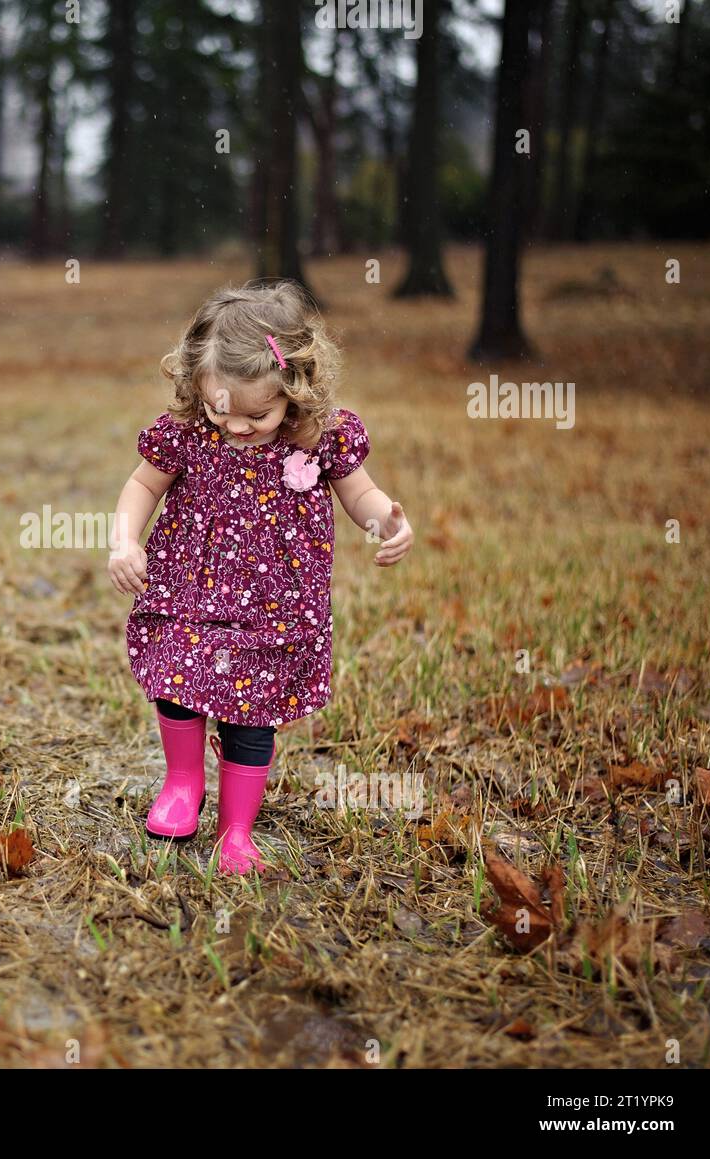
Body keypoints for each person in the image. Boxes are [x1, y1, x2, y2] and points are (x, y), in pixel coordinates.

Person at [108, 280, 413, 875]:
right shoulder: (190, 431)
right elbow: (142, 485)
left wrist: (387, 522)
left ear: (296, 390)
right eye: (223, 409)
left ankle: (237, 829)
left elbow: (362, 495)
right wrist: (124, 538)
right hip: (186, 588)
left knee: (253, 711)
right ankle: (182, 783)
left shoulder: (319, 437)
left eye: (259, 413)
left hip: (275, 610)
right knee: (177, 677)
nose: (239, 426)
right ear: (199, 386)